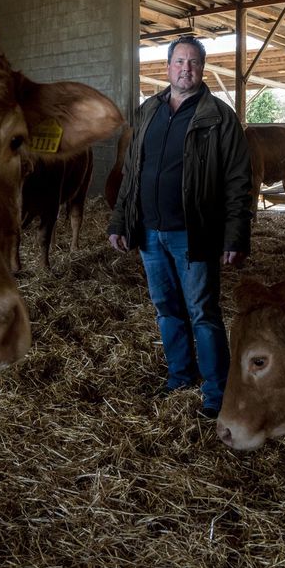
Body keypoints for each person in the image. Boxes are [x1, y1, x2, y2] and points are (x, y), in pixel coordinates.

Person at [107, 35, 254, 420]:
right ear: (167, 67)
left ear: (202, 69)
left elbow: (239, 181)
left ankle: (216, 392)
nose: (185, 69)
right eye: (179, 62)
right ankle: (180, 377)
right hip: (150, 233)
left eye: (193, 62)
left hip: (194, 233)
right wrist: (120, 220)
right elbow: (131, 172)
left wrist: (236, 234)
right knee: (166, 310)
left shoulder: (219, 117)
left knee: (202, 311)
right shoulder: (148, 111)